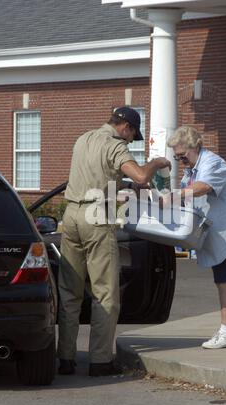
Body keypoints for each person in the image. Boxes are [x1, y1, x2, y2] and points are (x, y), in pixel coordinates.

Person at [57, 106, 171, 375]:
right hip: (96, 218)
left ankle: (65, 358)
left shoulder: (83, 138)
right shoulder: (116, 146)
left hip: (70, 216)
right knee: (105, 293)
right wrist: (156, 163)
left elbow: (100, 179)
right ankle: (100, 361)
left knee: (69, 292)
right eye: (133, 136)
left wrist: (126, 186)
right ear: (126, 128)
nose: (131, 141)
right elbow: (142, 176)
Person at [167, 126, 226, 349]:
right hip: (218, 234)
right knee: (221, 281)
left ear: (194, 147)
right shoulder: (193, 168)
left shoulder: (212, 163)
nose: (180, 160)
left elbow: (202, 188)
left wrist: (173, 196)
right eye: (177, 157)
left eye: (182, 155)